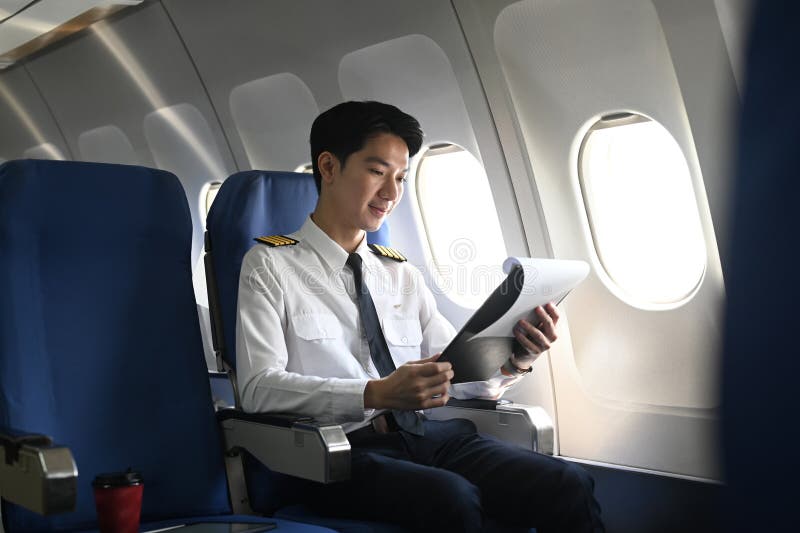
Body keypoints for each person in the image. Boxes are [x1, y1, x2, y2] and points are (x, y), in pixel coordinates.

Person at [236, 101, 603, 532]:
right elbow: (258, 389)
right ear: (329, 167)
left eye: (401, 178)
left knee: (567, 483)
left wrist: (516, 358)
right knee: (452, 499)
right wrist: (375, 393)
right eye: (377, 172)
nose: (391, 194)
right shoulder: (270, 266)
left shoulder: (400, 273)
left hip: (424, 437)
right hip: (338, 455)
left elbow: (457, 372)